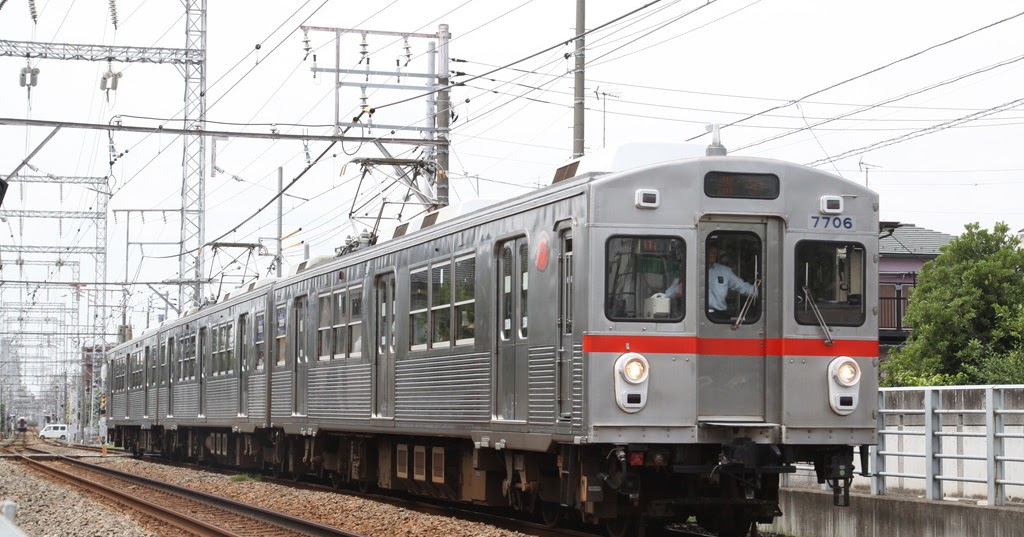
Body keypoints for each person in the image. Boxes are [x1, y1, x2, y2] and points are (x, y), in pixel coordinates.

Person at [706, 244, 757, 321]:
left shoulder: (725, 271)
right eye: (710, 251)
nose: (713, 254)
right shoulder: (691, 269)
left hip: (718, 316)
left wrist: (763, 294)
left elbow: (742, 286)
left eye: (715, 252)